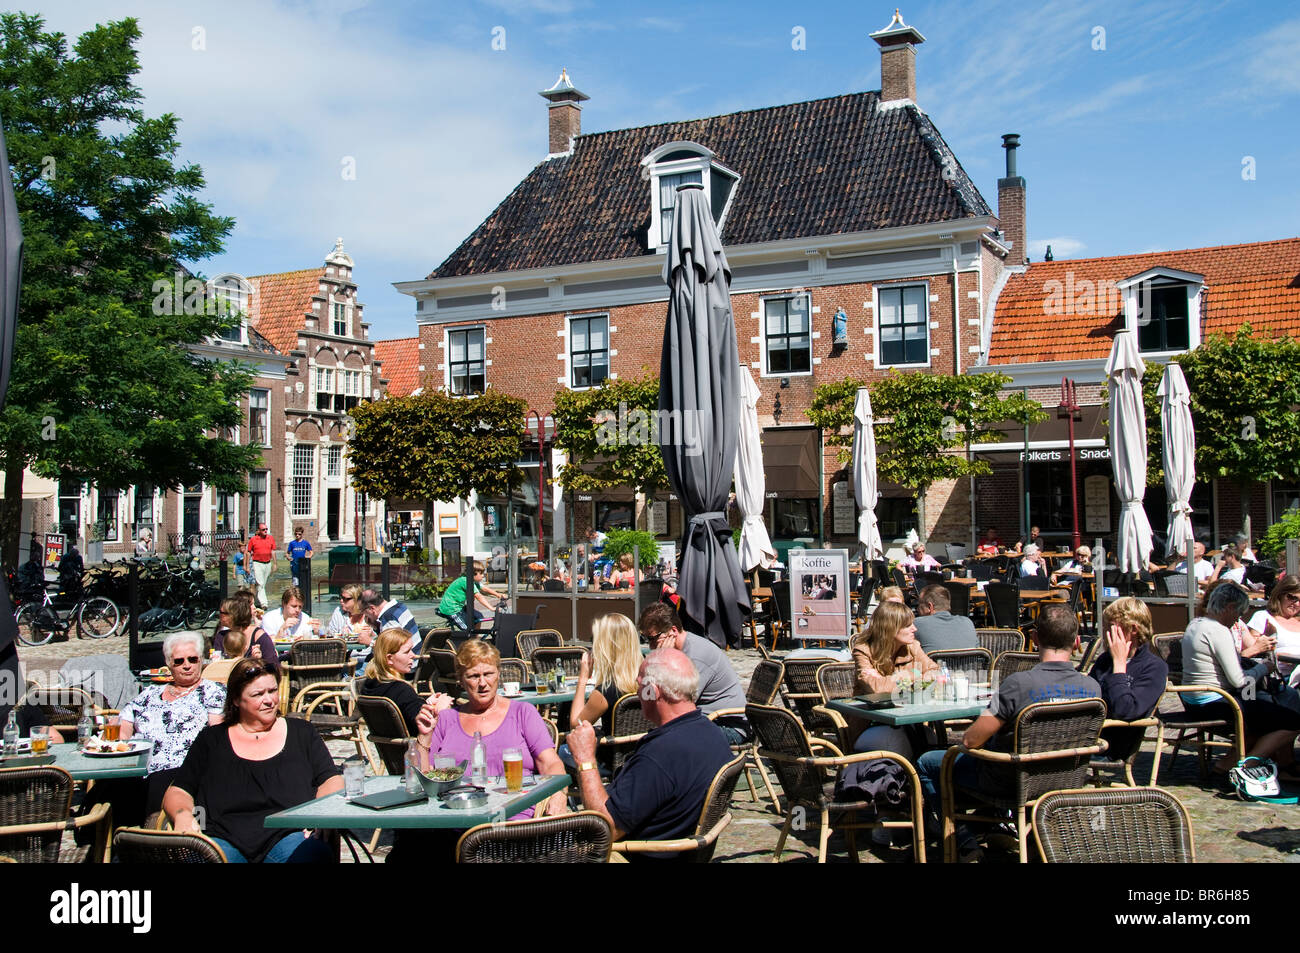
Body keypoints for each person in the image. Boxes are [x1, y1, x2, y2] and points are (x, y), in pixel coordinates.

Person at [916, 604, 1099, 860]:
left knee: (928, 762)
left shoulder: (1019, 684)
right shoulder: (1092, 688)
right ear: (1077, 642)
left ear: (1034, 639)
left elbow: (970, 740)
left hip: (1008, 780)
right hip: (1065, 779)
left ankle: (964, 840)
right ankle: (992, 827)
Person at [163, 658, 342, 862]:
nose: (269, 700)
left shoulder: (302, 733)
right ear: (237, 700)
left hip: (287, 835)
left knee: (310, 854)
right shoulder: (211, 740)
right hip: (222, 838)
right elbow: (178, 790)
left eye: (272, 691)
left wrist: (323, 813)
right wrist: (182, 814)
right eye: (258, 694)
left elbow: (331, 779)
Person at [566, 647, 734, 858]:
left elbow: (605, 828)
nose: (637, 694)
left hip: (632, 854)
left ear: (652, 691)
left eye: (639, 686)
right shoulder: (713, 734)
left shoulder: (660, 755)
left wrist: (585, 759)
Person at [415, 640, 568, 818]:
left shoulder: (522, 713)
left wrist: (559, 794)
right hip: (454, 817)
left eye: (488, 674)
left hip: (512, 818)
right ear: (460, 680)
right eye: (473, 676)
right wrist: (424, 736)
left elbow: (550, 763)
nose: (482, 683)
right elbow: (422, 782)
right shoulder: (446, 719)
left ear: (498, 675)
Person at [1180, 582, 1300, 776]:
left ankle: (1231, 761)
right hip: (1216, 701)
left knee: (1265, 704)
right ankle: (1246, 766)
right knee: (1292, 719)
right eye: (1239, 613)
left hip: (1193, 700)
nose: (1238, 619)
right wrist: (1264, 668)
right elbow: (1239, 681)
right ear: (1229, 608)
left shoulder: (1196, 623)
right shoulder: (1219, 631)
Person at [112, 631, 225, 824]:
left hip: (182, 768)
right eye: (179, 661)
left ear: (202, 660)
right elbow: (126, 717)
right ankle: (113, 844)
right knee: (111, 785)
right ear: (168, 665)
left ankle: (145, 843)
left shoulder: (212, 691)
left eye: (192, 659)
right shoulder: (151, 692)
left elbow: (218, 734)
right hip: (140, 766)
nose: (187, 665)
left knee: (156, 784)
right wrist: (124, 745)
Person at [638, 603, 748, 744]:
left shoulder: (696, 656)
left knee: (663, 740)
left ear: (673, 631)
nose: (650, 645)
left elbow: (675, 701)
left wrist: (661, 658)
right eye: (647, 639)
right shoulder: (681, 651)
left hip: (728, 726)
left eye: (653, 638)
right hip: (704, 720)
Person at [850, 601, 938, 757]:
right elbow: (876, 688)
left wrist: (898, 679)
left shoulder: (912, 647)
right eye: (908, 625)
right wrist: (913, 676)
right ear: (890, 628)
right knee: (903, 741)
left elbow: (935, 672)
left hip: (907, 719)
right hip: (872, 723)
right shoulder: (863, 650)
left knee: (929, 737)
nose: (915, 629)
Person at [559, 614, 642, 771]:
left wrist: (582, 678)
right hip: (639, 755)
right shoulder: (646, 679)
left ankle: (575, 795)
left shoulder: (606, 690)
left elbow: (576, 724)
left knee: (561, 751)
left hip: (609, 760)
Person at [1091, 597, 1168, 722]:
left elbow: (1125, 710)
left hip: (1119, 736)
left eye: (1111, 627)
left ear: (1133, 629)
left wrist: (1119, 666)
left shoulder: (1155, 667)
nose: (1105, 633)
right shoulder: (1105, 660)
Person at [358, 627, 423, 734]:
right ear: (389, 658)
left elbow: (408, 708)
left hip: (390, 748)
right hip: (418, 747)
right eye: (407, 652)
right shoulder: (402, 691)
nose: (413, 655)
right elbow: (424, 726)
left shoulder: (369, 686)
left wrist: (426, 703)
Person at [1247, 575, 1300, 676]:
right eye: (1292, 598)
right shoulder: (1263, 617)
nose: (1296, 604)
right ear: (1280, 595)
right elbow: (1253, 651)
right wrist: (1276, 655)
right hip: (1279, 676)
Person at [213, 597, 279, 676]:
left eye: (221, 612)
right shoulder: (221, 636)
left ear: (232, 615)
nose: (219, 615)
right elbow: (216, 665)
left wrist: (258, 661)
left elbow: (274, 668)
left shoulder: (260, 637)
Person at [435, 562, 500, 632]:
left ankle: (475, 639)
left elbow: (484, 588)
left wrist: (498, 595)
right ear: (473, 574)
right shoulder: (465, 581)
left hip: (459, 607)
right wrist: (491, 608)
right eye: (481, 573)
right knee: (467, 630)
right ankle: (470, 640)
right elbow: (478, 596)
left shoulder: (472, 581)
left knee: (478, 616)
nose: (483, 576)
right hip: (451, 609)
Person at [912, 584, 977, 654]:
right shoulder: (967, 622)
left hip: (936, 664)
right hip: (970, 664)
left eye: (919, 605)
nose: (917, 609)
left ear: (929, 607)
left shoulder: (917, 624)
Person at [244, 522, 277, 609]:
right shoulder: (253, 539)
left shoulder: (270, 538)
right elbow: (248, 553)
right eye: (263, 529)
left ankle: (256, 601)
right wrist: (247, 566)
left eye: (266, 529)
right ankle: (264, 603)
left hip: (267, 563)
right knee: (260, 583)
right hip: (257, 563)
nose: (265, 531)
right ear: (259, 531)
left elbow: (273, 551)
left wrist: (275, 563)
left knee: (262, 584)